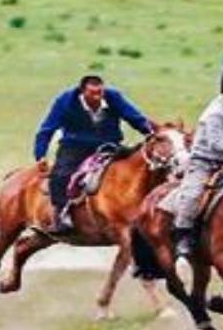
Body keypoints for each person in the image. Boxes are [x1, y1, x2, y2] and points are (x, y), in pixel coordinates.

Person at [33, 73, 155, 235]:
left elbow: (135, 118)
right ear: (82, 91)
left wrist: (153, 133)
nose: (98, 97)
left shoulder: (113, 97)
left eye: (100, 92)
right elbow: (47, 129)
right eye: (93, 94)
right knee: (61, 174)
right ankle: (60, 214)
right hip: (75, 146)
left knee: (138, 166)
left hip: (109, 145)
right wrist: (40, 154)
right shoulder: (65, 100)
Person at [160, 70, 223, 258]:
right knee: (192, 195)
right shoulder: (215, 114)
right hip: (205, 161)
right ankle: (183, 235)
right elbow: (217, 145)